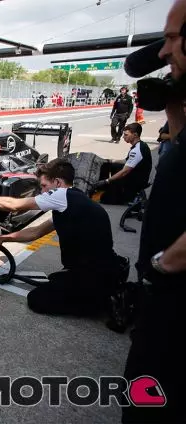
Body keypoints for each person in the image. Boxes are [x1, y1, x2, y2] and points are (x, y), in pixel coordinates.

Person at [122, 1, 186, 421]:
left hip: (175, 299)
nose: (163, 52)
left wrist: (164, 264)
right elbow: (177, 146)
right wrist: (174, 102)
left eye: (173, 37)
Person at [0, 158, 124, 316]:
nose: (42, 192)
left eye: (44, 186)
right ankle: (100, 294)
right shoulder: (72, 200)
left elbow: (15, 205)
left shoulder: (61, 196)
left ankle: (104, 303)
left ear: (57, 182)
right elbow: (35, 232)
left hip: (95, 273)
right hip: (100, 268)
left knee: (37, 299)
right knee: (56, 279)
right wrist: (4, 238)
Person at [95, 123, 152, 205]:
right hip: (137, 175)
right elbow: (127, 162)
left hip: (137, 181)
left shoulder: (136, 151)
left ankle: (112, 191)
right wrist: (110, 161)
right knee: (107, 165)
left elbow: (124, 172)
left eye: (126, 135)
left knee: (105, 198)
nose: (123, 137)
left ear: (135, 135)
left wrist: (107, 181)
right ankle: (103, 188)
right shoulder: (140, 145)